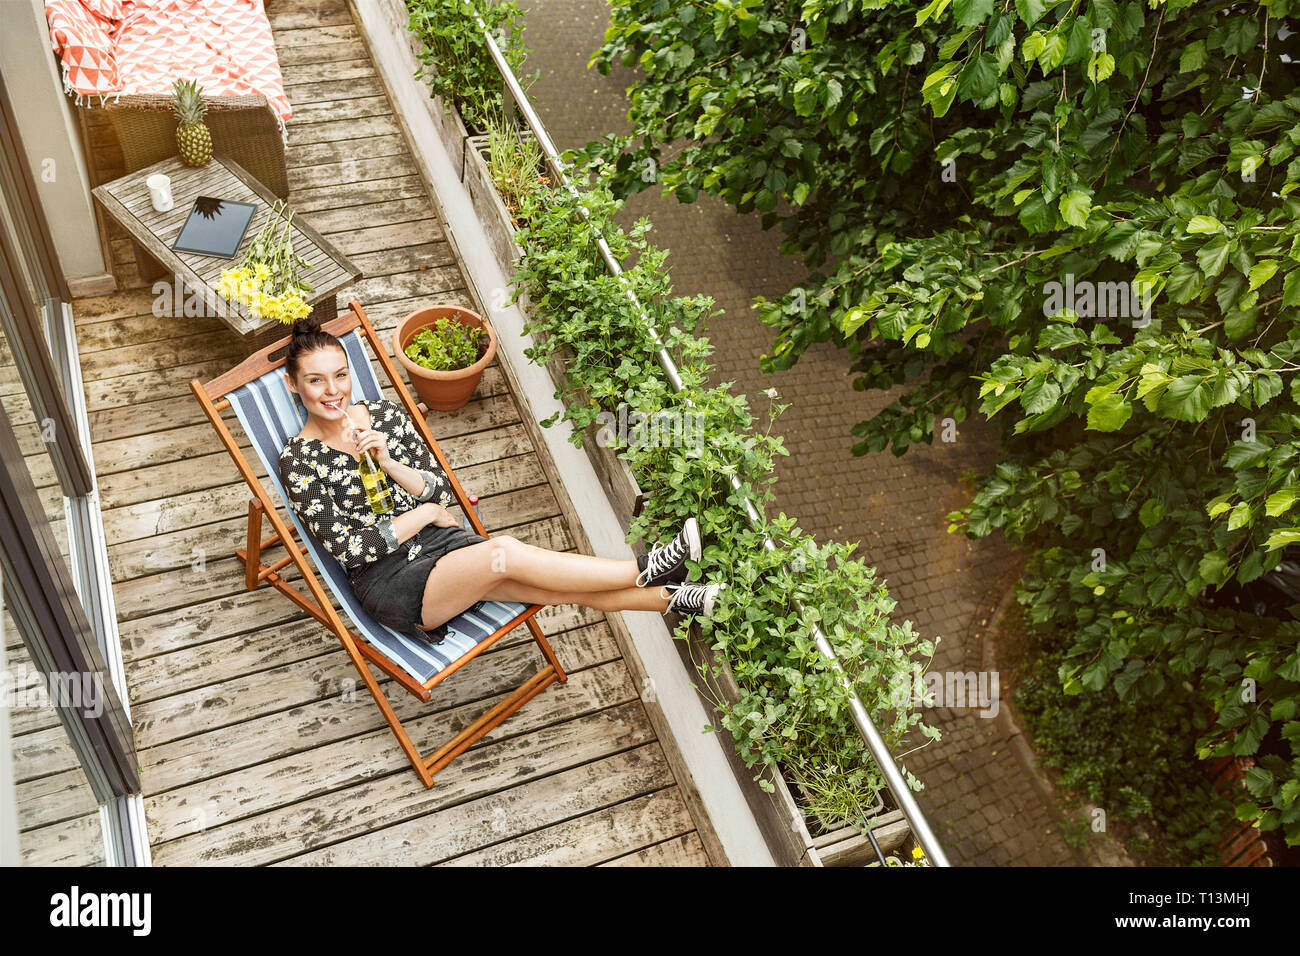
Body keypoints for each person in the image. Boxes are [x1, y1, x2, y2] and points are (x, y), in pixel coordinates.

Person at [277, 317, 726, 647]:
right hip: (392, 581)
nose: (333, 390)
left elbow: (438, 489)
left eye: (340, 375)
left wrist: (390, 462)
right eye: (315, 381)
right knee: (505, 553)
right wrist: (428, 514)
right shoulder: (298, 461)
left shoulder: (384, 415)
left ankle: (683, 597)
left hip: (442, 549)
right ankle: (645, 567)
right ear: (293, 385)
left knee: (550, 589)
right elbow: (351, 549)